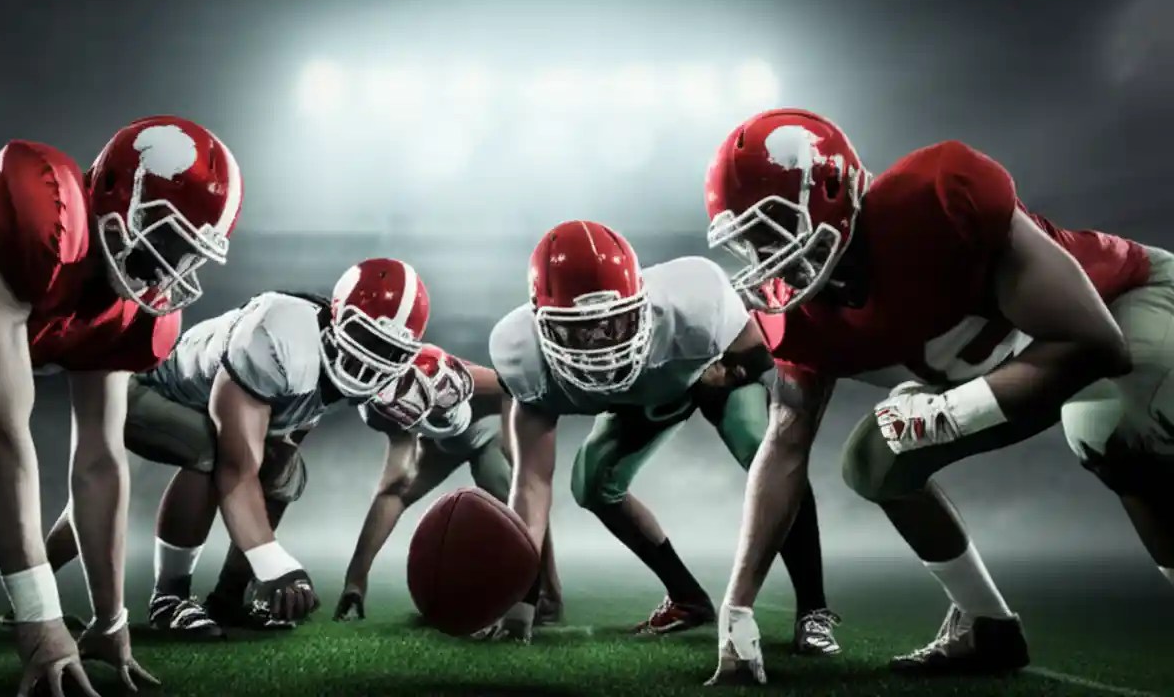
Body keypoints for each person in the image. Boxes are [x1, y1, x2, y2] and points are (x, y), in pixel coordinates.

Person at [700, 108, 1173, 685]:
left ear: (829, 188)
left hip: (1123, 301)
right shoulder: (799, 313)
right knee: (874, 461)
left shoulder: (935, 201)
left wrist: (950, 413)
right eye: (750, 241)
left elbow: (1098, 344)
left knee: (1116, 428)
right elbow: (785, 446)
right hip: (1008, 367)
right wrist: (739, 603)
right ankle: (987, 627)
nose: (767, 256)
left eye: (773, 229)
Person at [0, 115, 242, 696]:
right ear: (113, 194)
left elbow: (101, 461)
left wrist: (111, 620)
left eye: (186, 253)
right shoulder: (31, 219)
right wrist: (40, 620)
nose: (168, 268)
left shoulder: (126, 308)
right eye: (163, 239)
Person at [2, 261, 432, 637]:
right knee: (208, 451)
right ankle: (168, 598)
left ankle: (228, 597)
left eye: (390, 351)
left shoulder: (338, 367)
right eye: (365, 338)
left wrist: (277, 477)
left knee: (286, 472)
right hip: (143, 383)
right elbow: (235, 469)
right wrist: (274, 564)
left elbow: (281, 445)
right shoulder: (279, 336)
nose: (372, 360)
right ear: (338, 319)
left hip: (205, 406)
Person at [487, 219, 839, 650]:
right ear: (540, 324)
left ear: (642, 301)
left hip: (707, 377)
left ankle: (814, 611)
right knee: (591, 486)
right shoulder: (525, 358)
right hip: (643, 403)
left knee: (763, 449)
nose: (601, 346)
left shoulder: (695, 304)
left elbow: (759, 356)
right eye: (577, 331)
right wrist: (518, 606)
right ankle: (688, 598)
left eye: (615, 324)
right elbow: (532, 484)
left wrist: (726, 374)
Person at [333, 347, 565, 625]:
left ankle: (545, 590)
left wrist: (511, 444)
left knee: (519, 499)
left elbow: (508, 385)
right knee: (395, 491)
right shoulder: (383, 404)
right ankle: (356, 583)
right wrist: (354, 582)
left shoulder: (448, 373)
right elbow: (394, 485)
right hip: (435, 439)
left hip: (487, 426)